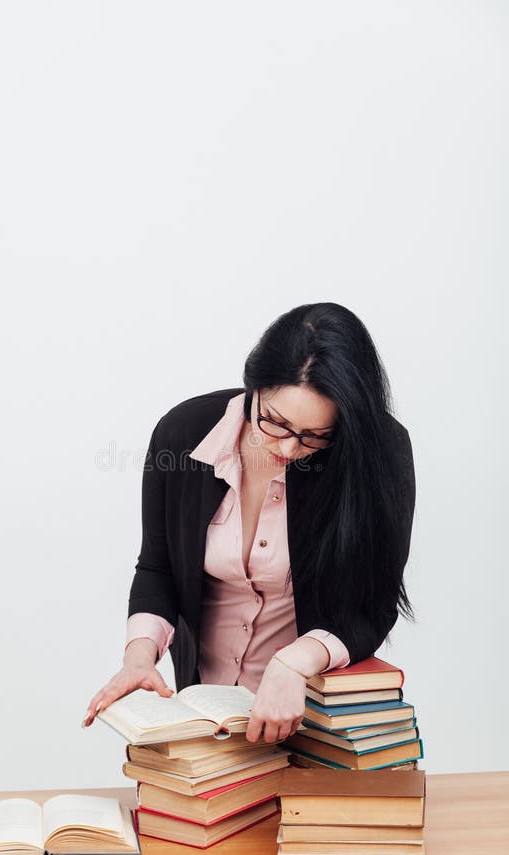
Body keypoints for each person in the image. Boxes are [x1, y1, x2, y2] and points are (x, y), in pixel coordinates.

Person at [83, 302, 415, 745]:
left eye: (314, 435)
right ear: (254, 385)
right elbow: (158, 568)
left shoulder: (381, 454)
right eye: (274, 421)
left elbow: (372, 608)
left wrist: (293, 662)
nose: (288, 447)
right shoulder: (183, 434)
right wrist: (139, 658)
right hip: (202, 716)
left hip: (312, 716)